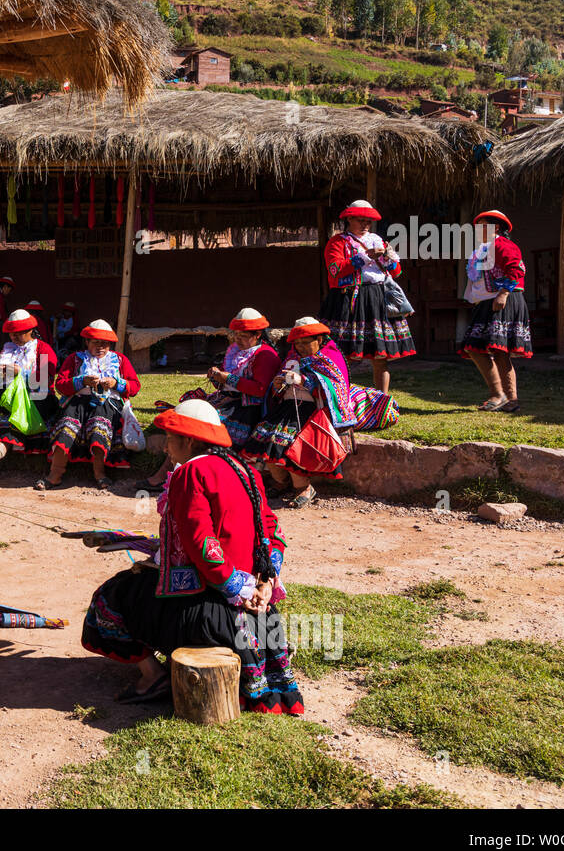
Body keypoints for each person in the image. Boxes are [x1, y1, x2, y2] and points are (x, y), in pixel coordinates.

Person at [81, 400, 301, 713]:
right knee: (142, 581)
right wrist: (264, 581)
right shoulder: (246, 471)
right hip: (257, 606)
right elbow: (270, 531)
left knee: (111, 596)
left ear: (189, 440)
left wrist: (237, 587)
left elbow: (203, 545)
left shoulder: (191, 473)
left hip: (207, 609)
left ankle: (152, 676)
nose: (167, 448)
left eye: (171, 439)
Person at [143, 308, 281, 489]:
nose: (238, 340)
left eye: (243, 336)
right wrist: (217, 378)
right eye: (236, 335)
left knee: (198, 428)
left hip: (245, 408)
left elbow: (260, 390)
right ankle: (174, 475)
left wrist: (228, 378)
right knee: (186, 422)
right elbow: (229, 382)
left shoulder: (265, 356)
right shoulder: (234, 351)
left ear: (258, 334)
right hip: (226, 400)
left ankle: (172, 476)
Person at [242, 317, 353, 509]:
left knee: (287, 440)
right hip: (288, 408)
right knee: (264, 436)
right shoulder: (292, 359)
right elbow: (278, 389)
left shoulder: (329, 359)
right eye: (297, 343)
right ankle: (281, 482)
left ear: (319, 340)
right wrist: (278, 385)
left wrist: (304, 381)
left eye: (306, 342)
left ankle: (304, 487)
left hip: (314, 411)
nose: (300, 347)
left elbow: (336, 391)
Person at [318, 200, 415, 393]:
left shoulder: (379, 241)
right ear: (349, 219)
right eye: (360, 220)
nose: (364, 225)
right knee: (343, 353)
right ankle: (339, 396)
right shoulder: (337, 242)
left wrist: (386, 258)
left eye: (368, 222)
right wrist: (365, 257)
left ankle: (382, 400)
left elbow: (396, 272)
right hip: (349, 299)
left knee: (380, 355)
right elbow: (336, 270)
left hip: (377, 298)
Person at [37, 319, 141, 491]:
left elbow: (135, 386)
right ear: (87, 342)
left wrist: (116, 383)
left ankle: (99, 473)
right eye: (96, 343)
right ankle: (55, 474)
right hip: (77, 403)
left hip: (108, 403)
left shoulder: (120, 360)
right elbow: (61, 385)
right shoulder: (74, 359)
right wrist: (81, 381)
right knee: (66, 426)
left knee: (100, 425)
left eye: (105, 344)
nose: (100, 347)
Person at [0, 309, 60, 485]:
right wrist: (1, 374)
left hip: (35, 399)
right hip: (7, 397)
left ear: (30, 331)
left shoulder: (43, 349)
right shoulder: (7, 349)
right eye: (12, 334)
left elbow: (46, 379)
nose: (14, 337)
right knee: (1, 426)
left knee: (10, 426)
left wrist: (21, 372)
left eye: (19, 334)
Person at [460, 210, 532, 412]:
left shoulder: (502, 245)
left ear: (496, 227)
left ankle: (498, 394)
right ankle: (510, 399)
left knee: (477, 348)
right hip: (488, 301)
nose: (478, 230)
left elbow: (517, 269)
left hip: (502, 300)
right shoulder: (484, 249)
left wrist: (503, 294)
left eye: (483, 225)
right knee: (496, 351)